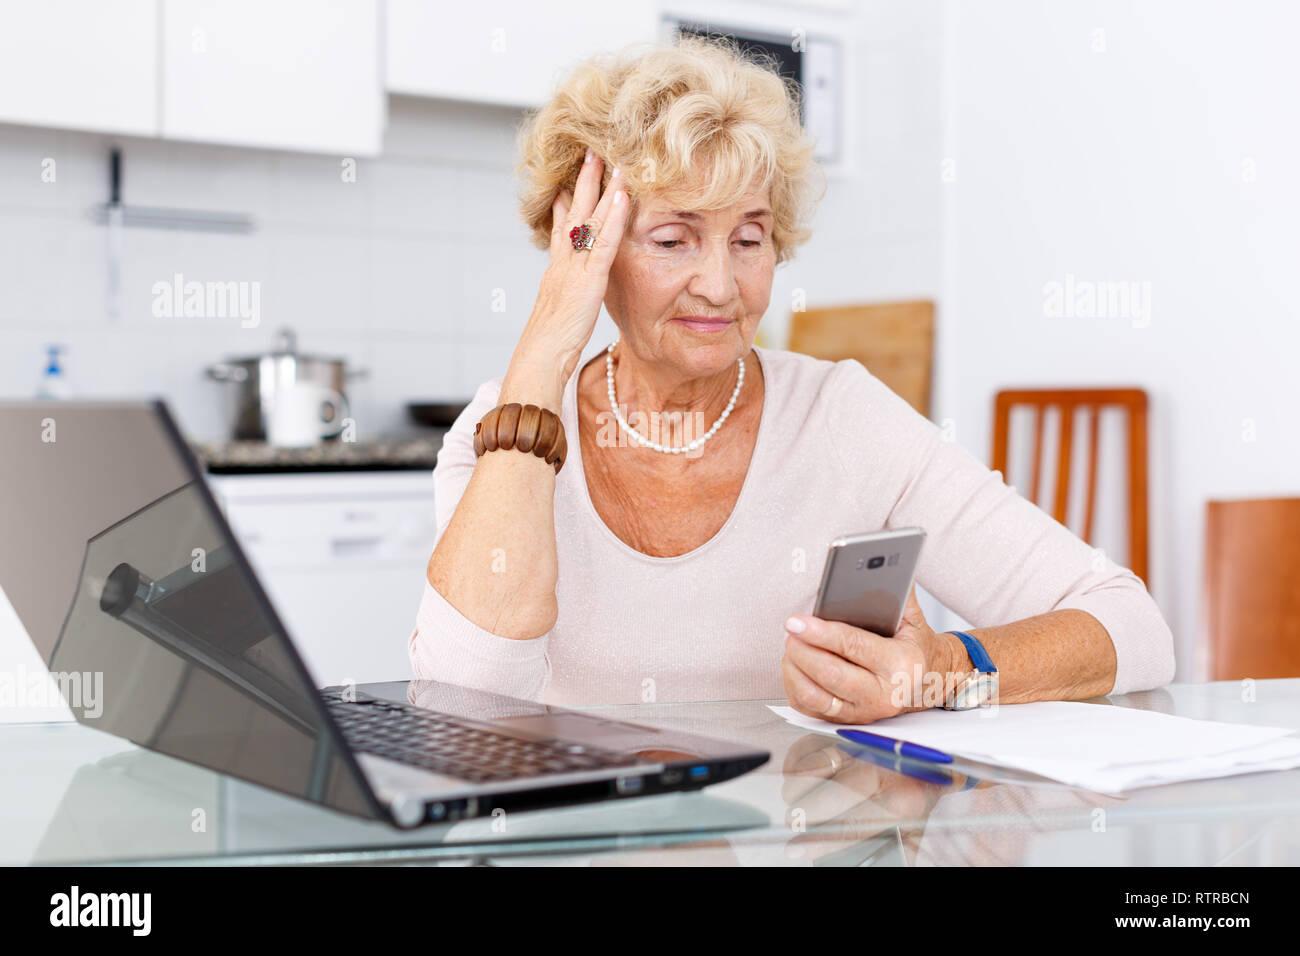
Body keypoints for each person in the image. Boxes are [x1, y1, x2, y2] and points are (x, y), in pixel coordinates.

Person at [409, 36, 1175, 720]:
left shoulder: (838, 416)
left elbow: (1132, 627)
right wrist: (549, 334)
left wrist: (943, 668)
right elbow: (467, 697)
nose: (721, 283)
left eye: (749, 238)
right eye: (674, 239)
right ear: (587, 251)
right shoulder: (505, 425)